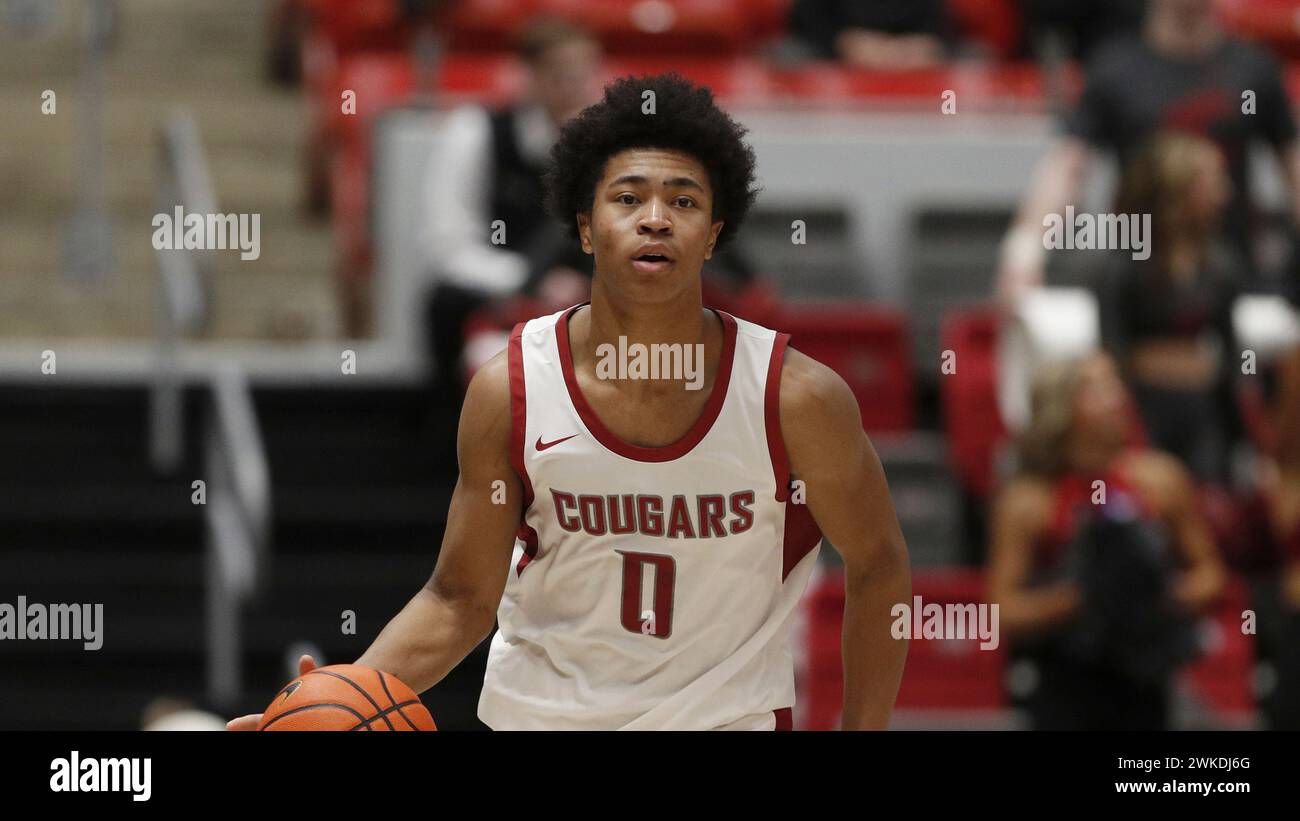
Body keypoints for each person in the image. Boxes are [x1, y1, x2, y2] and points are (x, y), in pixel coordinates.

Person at [231, 73, 911, 731]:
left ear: (713, 233)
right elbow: (459, 597)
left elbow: (879, 563)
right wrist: (335, 702)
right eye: (627, 198)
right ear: (584, 229)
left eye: (683, 201)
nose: (654, 219)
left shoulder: (797, 397)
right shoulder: (511, 388)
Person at [996, 0, 1300, 309]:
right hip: (1139, 288)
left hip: (1232, 281)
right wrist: (1025, 250)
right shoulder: (1116, 70)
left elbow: (1294, 169)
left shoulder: (1253, 70)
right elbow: (1068, 166)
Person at [987, 352, 1226, 730]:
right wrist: (1081, 599)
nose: (1116, 397)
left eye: (1115, 383)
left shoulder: (1161, 479)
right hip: (1064, 681)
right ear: (1061, 406)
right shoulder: (1027, 500)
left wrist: (1158, 596)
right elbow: (1003, 610)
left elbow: (1213, 574)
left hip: (1144, 679)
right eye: (1095, 388)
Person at [422, 17, 601, 398]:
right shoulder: (476, 131)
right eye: (559, 74)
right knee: (446, 303)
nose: (573, 87)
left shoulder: (605, 145)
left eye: (582, 74)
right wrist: (528, 280)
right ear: (528, 75)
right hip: (495, 289)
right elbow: (447, 246)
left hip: (586, 291)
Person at [1098, 132, 1240, 483]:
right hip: (1144, 410)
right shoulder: (1123, 265)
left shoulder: (1221, 265)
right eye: (1213, 181)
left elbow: (1232, 354)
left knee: (1208, 504)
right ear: (1180, 189)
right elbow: (1112, 350)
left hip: (1205, 413)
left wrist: (1244, 435)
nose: (1226, 193)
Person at [785, 0, 948, 70]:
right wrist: (844, 42)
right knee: (788, 55)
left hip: (910, 59)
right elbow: (804, 18)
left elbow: (941, 22)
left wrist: (923, 45)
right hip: (833, 54)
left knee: (968, 56)